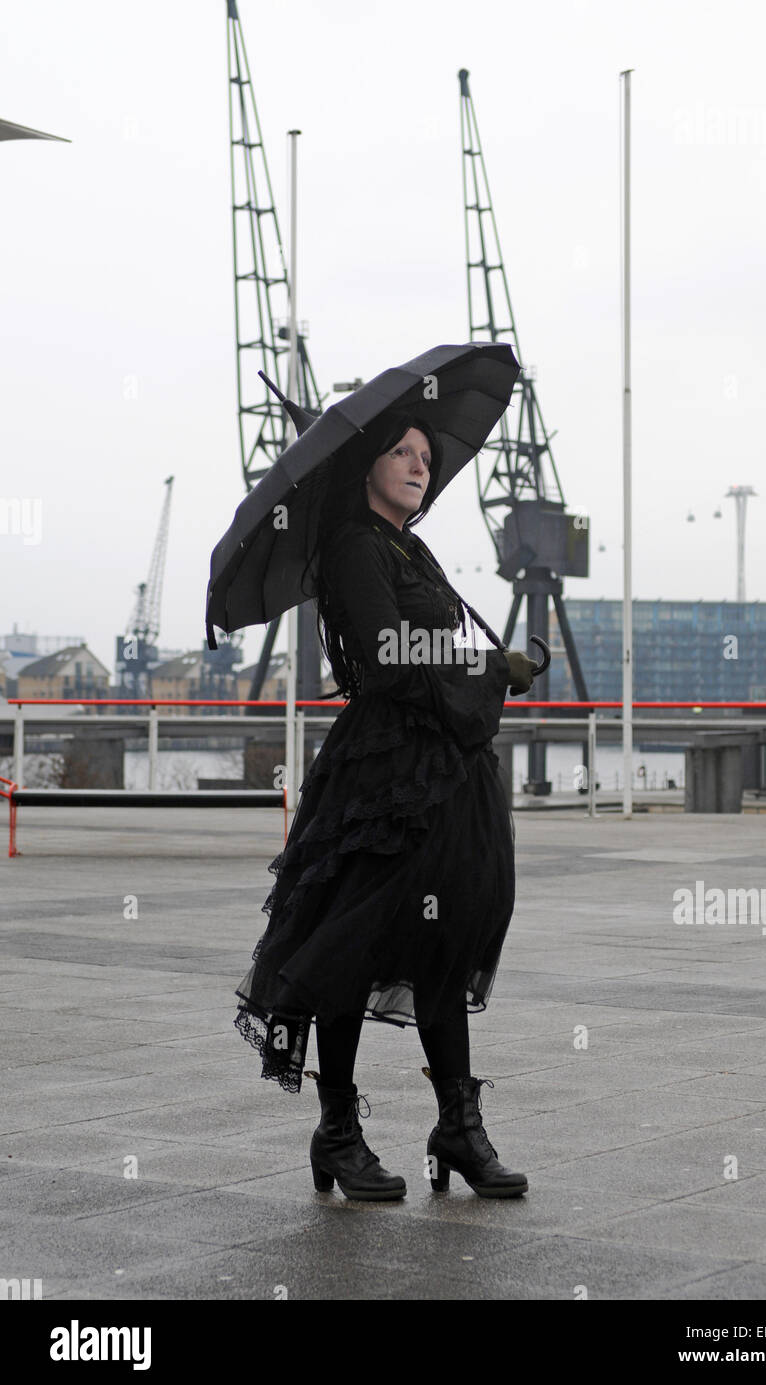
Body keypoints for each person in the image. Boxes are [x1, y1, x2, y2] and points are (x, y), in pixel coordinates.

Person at [233, 409, 537, 1201]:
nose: (416, 464)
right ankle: (336, 1131)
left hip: (444, 769)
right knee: (352, 940)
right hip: (384, 774)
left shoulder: (410, 547)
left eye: (425, 456)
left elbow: (424, 646)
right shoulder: (352, 548)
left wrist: (482, 660)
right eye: (399, 452)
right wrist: (487, 674)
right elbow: (388, 659)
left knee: (447, 937)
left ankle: (457, 1129)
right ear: (365, 465)